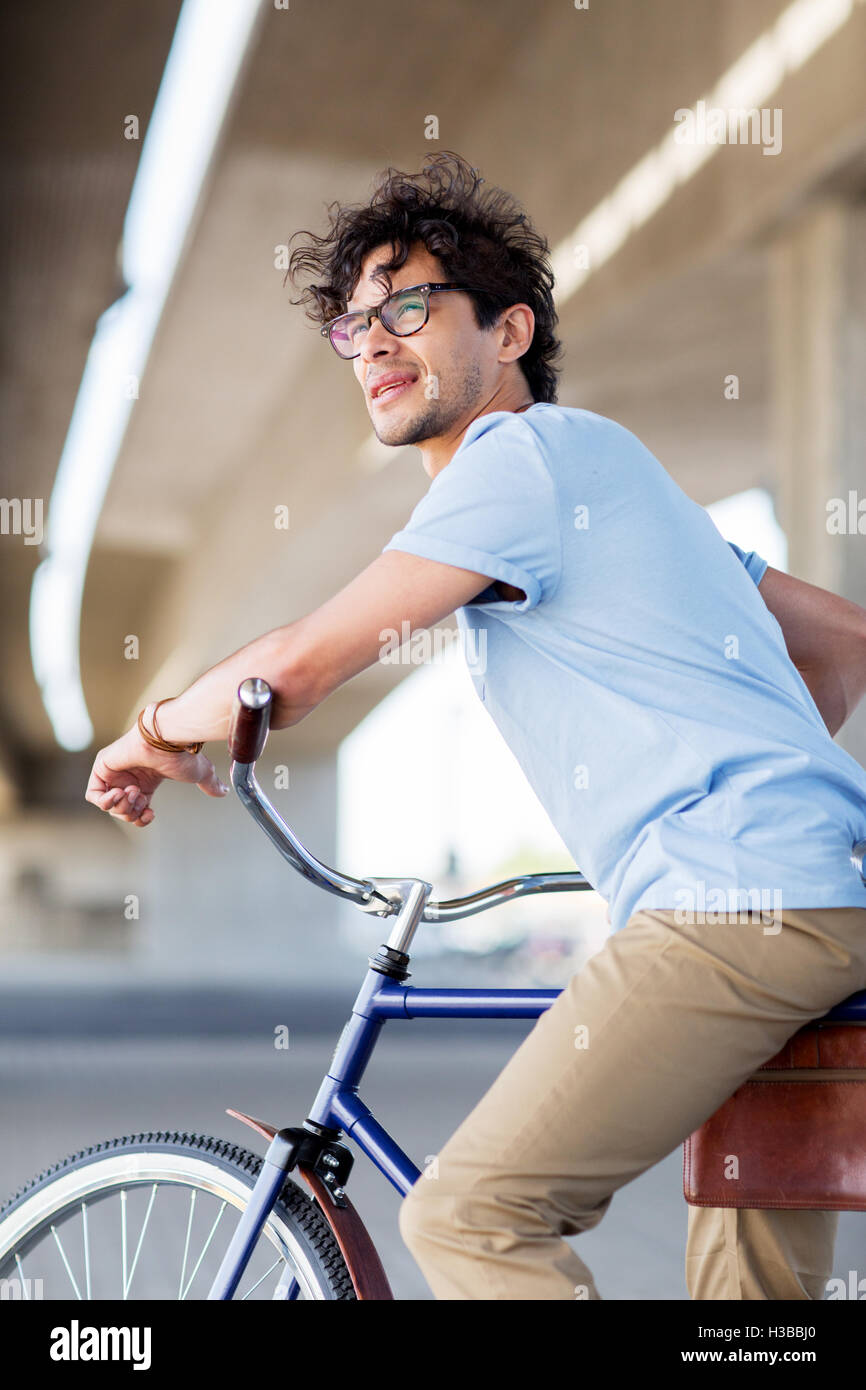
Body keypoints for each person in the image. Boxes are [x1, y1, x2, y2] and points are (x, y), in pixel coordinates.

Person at [85, 151, 866, 1300]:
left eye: (409, 305)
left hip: (726, 908)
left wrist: (150, 727)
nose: (376, 343)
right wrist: (776, 799)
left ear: (508, 332)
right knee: (749, 1300)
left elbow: (296, 668)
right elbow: (844, 640)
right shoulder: (607, 468)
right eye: (353, 328)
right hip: (816, 896)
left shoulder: (519, 459)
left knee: (469, 1216)